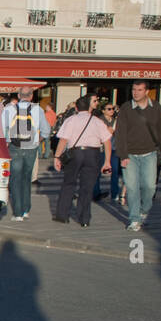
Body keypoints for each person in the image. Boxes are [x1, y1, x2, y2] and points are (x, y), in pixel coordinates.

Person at [113, 80, 161, 232]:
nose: (135, 93)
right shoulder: (126, 108)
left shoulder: (156, 107)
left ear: (146, 91)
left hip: (149, 154)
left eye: (139, 90)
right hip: (129, 155)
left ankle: (144, 210)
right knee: (131, 188)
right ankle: (134, 219)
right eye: (133, 89)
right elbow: (120, 133)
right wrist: (123, 155)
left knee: (149, 187)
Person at [51, 93, 111, 227]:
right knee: (87, 187)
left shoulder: (71, 120)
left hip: (75, 153)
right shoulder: (97, 121)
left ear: (77, 108)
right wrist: (107, 161)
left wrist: (57, 156)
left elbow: (63, 140)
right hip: (93, 154)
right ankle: (84, 219)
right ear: (89, 108)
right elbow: (107, 141)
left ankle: (62, 215)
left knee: (69, 183)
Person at [0, 86, 50, 220]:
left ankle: (17, 213)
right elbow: (46, 130)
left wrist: (6, 142)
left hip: (14, 146)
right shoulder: (38, 109)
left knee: (15, 179)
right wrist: (38, 141)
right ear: (32, 96)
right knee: (26, 178)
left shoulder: (9, 109)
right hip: (31, 147)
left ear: (18, 95)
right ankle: (26, 210)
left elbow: (1, 129)